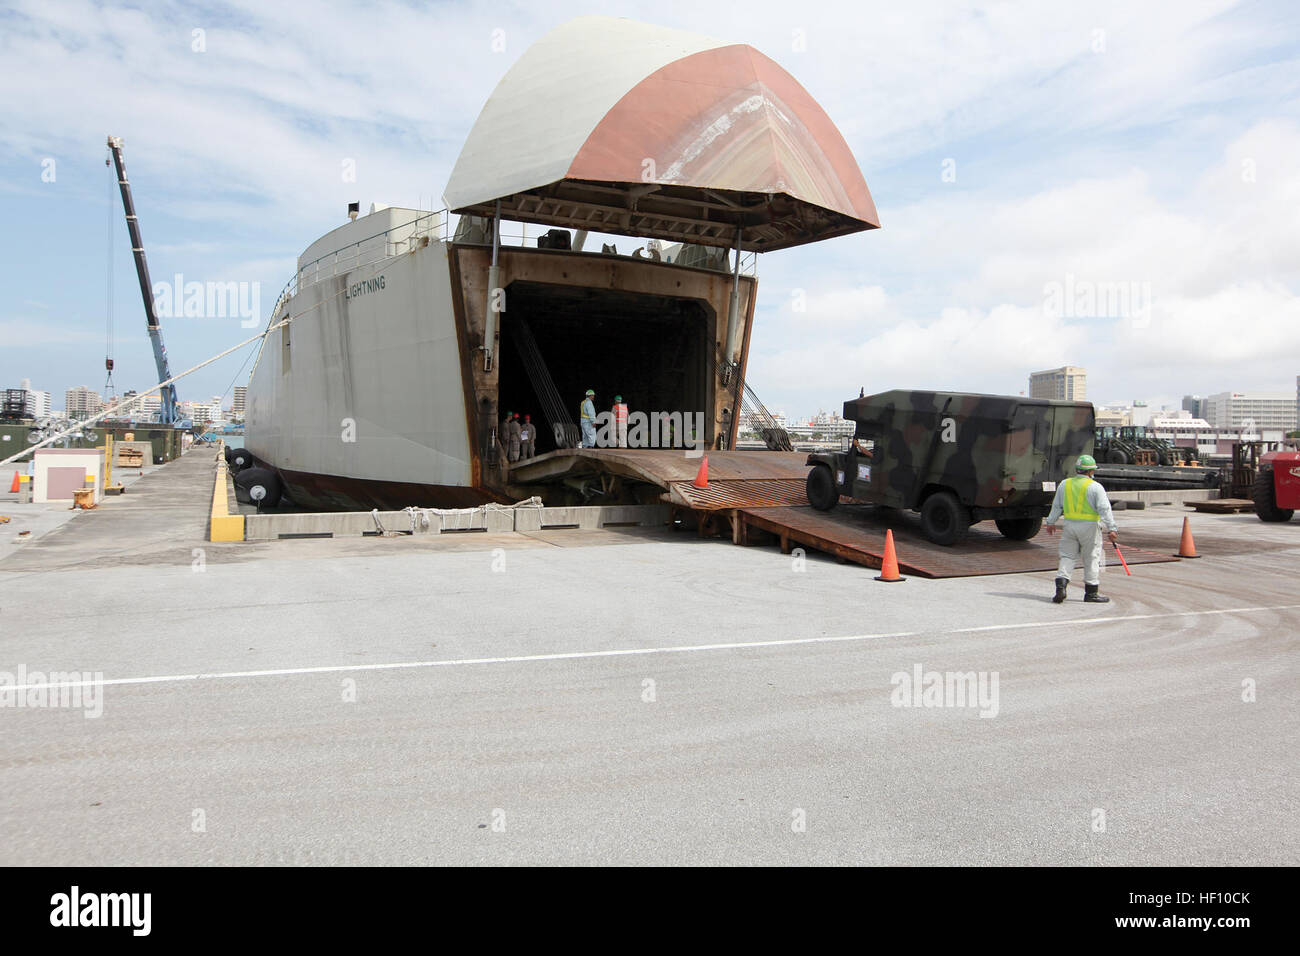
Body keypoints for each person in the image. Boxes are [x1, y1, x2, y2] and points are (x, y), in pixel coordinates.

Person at [1045, 454, 1118, 603]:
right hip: (1089, 528)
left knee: (1067, 556)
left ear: (1077, 469)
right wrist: (1112, 528)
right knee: (1091, 558)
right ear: (1091, 471)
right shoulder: (1095, 487)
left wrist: (1050, 522)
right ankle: (1091, 593)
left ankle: (1061, 586)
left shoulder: (1065, 484)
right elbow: (1104, 508)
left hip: (1070, 525)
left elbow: (1057, 505)